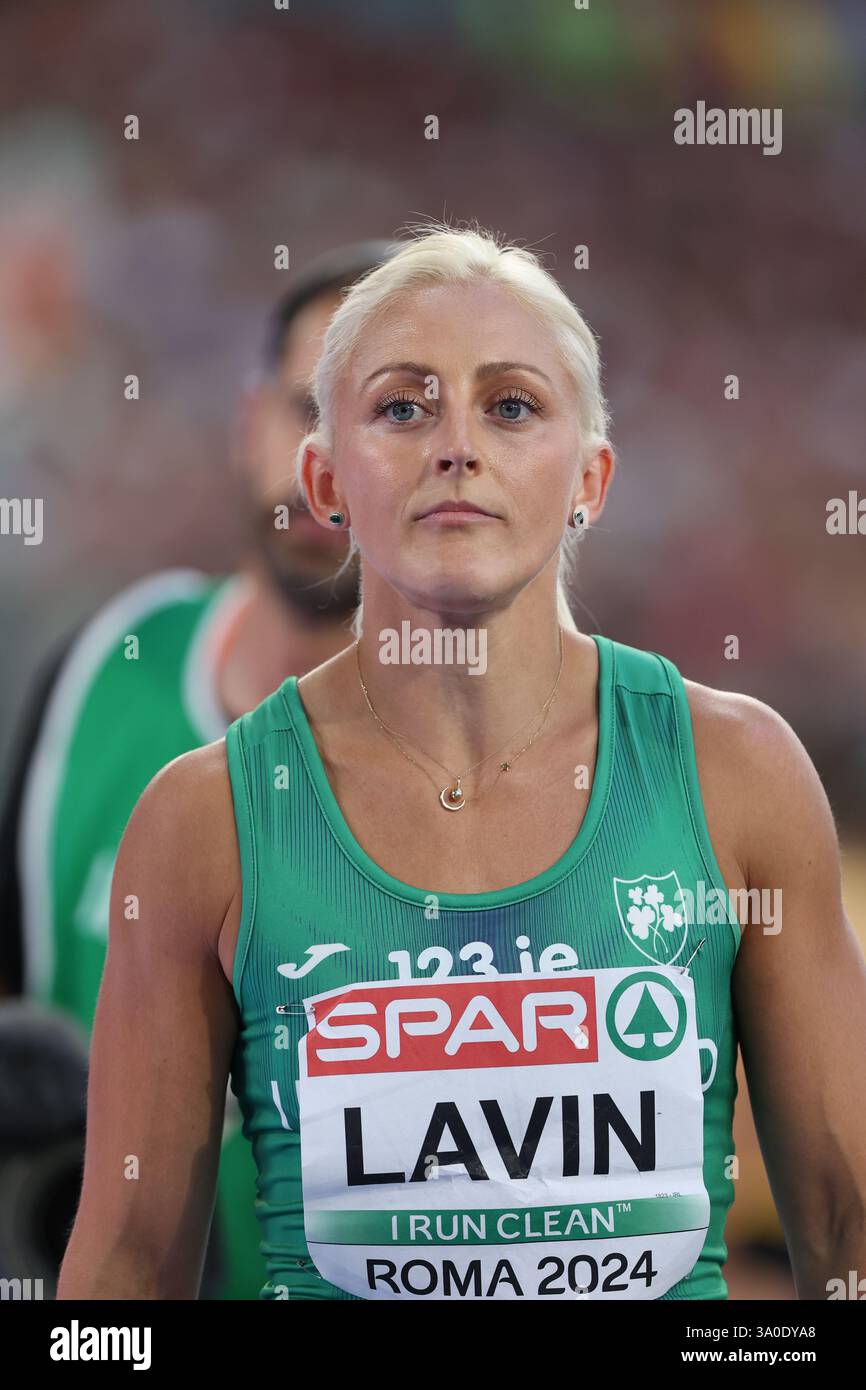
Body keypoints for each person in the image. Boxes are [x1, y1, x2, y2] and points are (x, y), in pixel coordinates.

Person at [57, 224, 866, 1301]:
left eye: (511, 405)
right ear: (324, 478)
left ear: (591, 477)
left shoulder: (739, 776)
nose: (455, 444)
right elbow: (116, 1281)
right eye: (401, 405)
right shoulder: (204, 820)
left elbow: (846, 1229)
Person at [0, 240, 395, 1298]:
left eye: (389, 417)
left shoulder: (527, 773)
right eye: (306, 406)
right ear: (245, 423)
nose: (327, 463)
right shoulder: (101, 666)